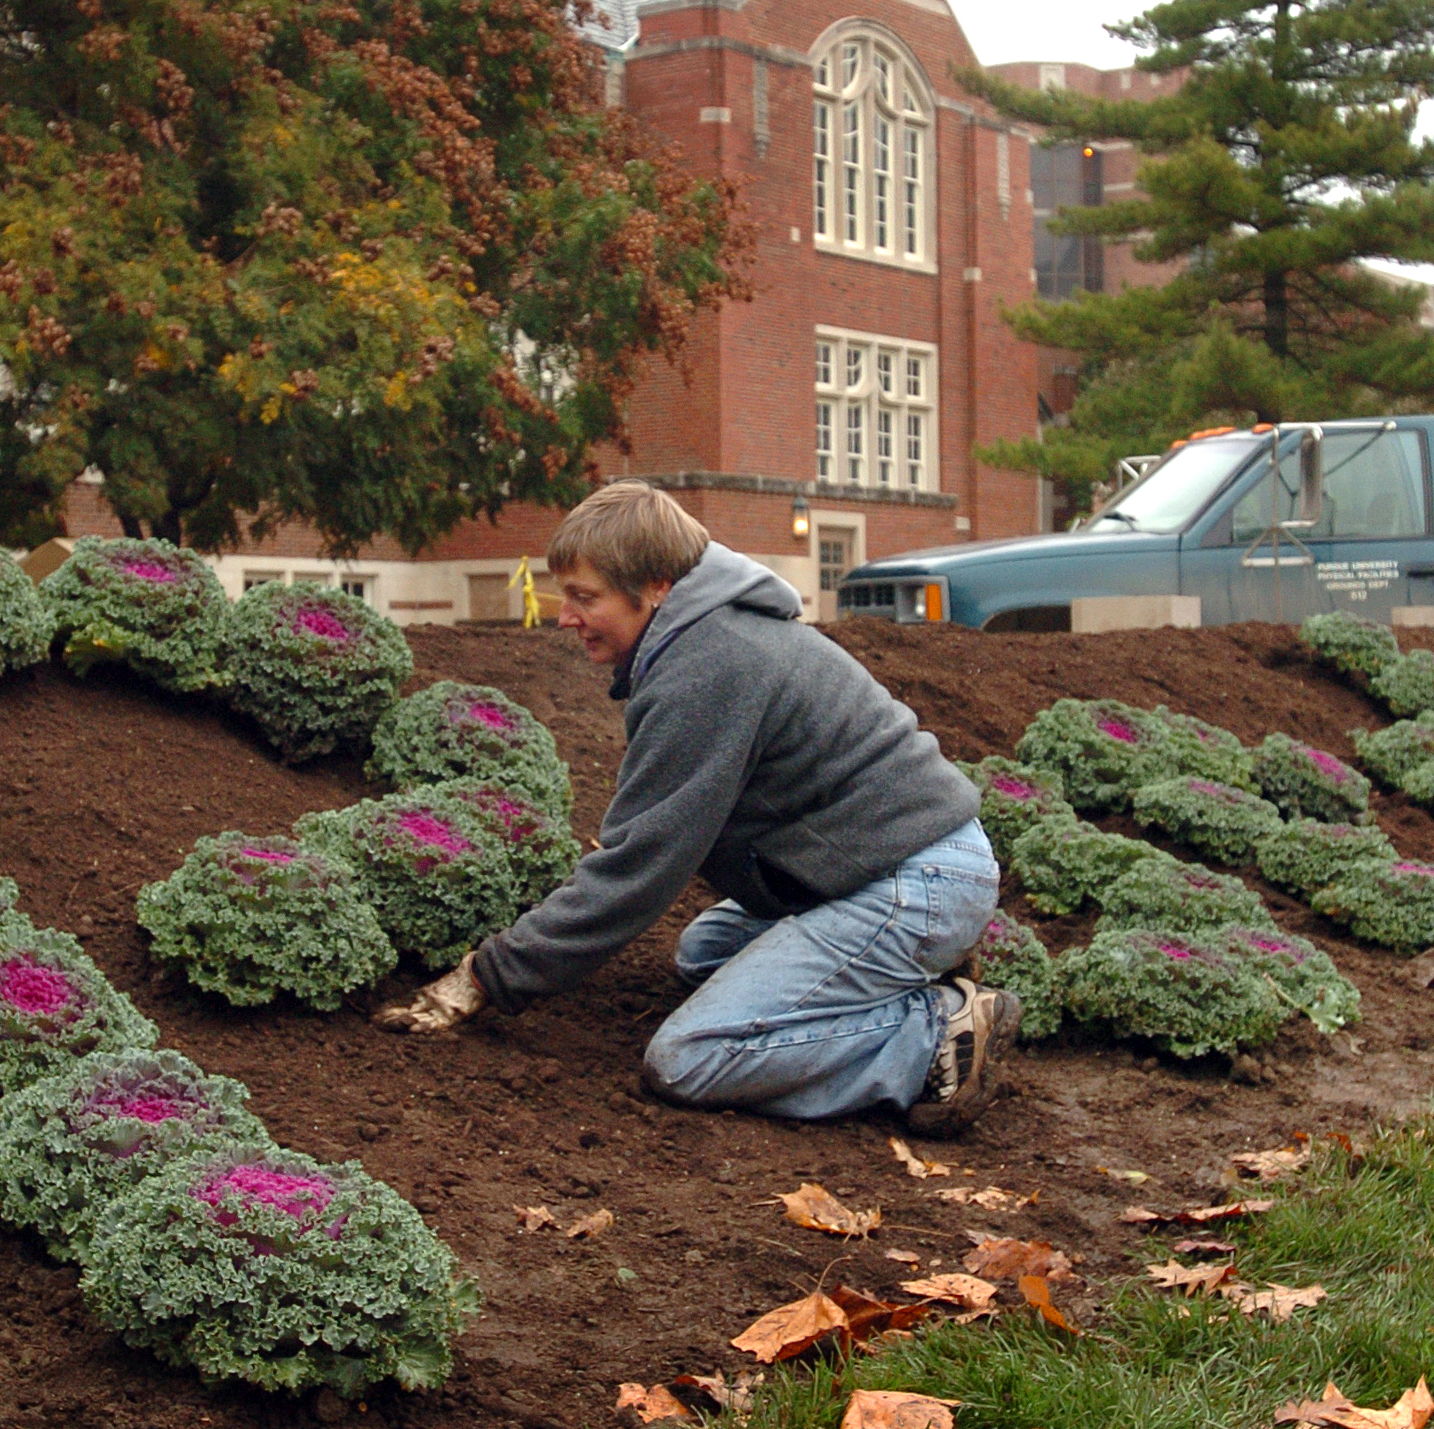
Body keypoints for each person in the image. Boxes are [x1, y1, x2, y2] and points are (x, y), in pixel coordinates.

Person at [376, 480, 1020, 1134]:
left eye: (584, 596)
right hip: (906, 863)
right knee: (705, 950)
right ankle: (909, 976)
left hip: (916, 881)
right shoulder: (710, 639)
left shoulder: (708, 669)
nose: (564, 615)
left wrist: (484, 977)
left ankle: (930, 1034)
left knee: (689, 1056)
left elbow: (639, 871)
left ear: (656, 586)